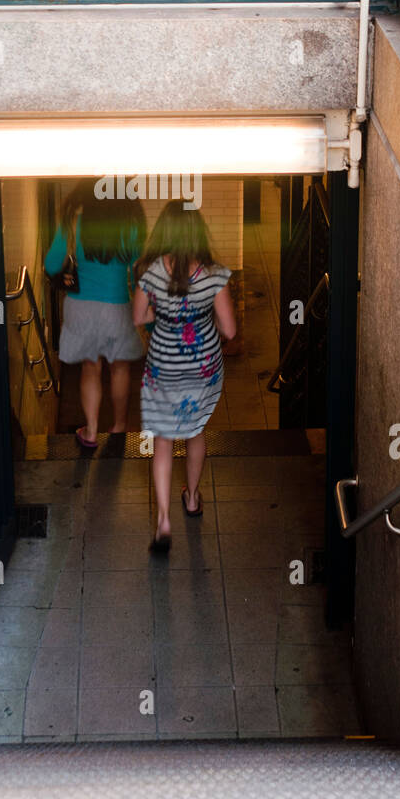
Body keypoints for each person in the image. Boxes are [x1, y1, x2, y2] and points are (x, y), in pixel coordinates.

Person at [132, 201, 236, 553]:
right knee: (194, 432)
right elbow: (231, 330)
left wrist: (165, 318)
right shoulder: (215, 275)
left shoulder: (150, 273)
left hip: (163, 364)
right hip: (201, 367)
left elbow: (138, 318)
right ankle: (191, 498)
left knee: (163, 440)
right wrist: (203, 323)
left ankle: (163, 519)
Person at [45, 178, 146, 448]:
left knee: (91, 368)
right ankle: (119, 427)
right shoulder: (130, 228)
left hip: (80, 307)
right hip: (117, 307)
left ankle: (90, 431)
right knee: (119, 368)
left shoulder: (73, 223)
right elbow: (137, 276)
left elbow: (52, 263)